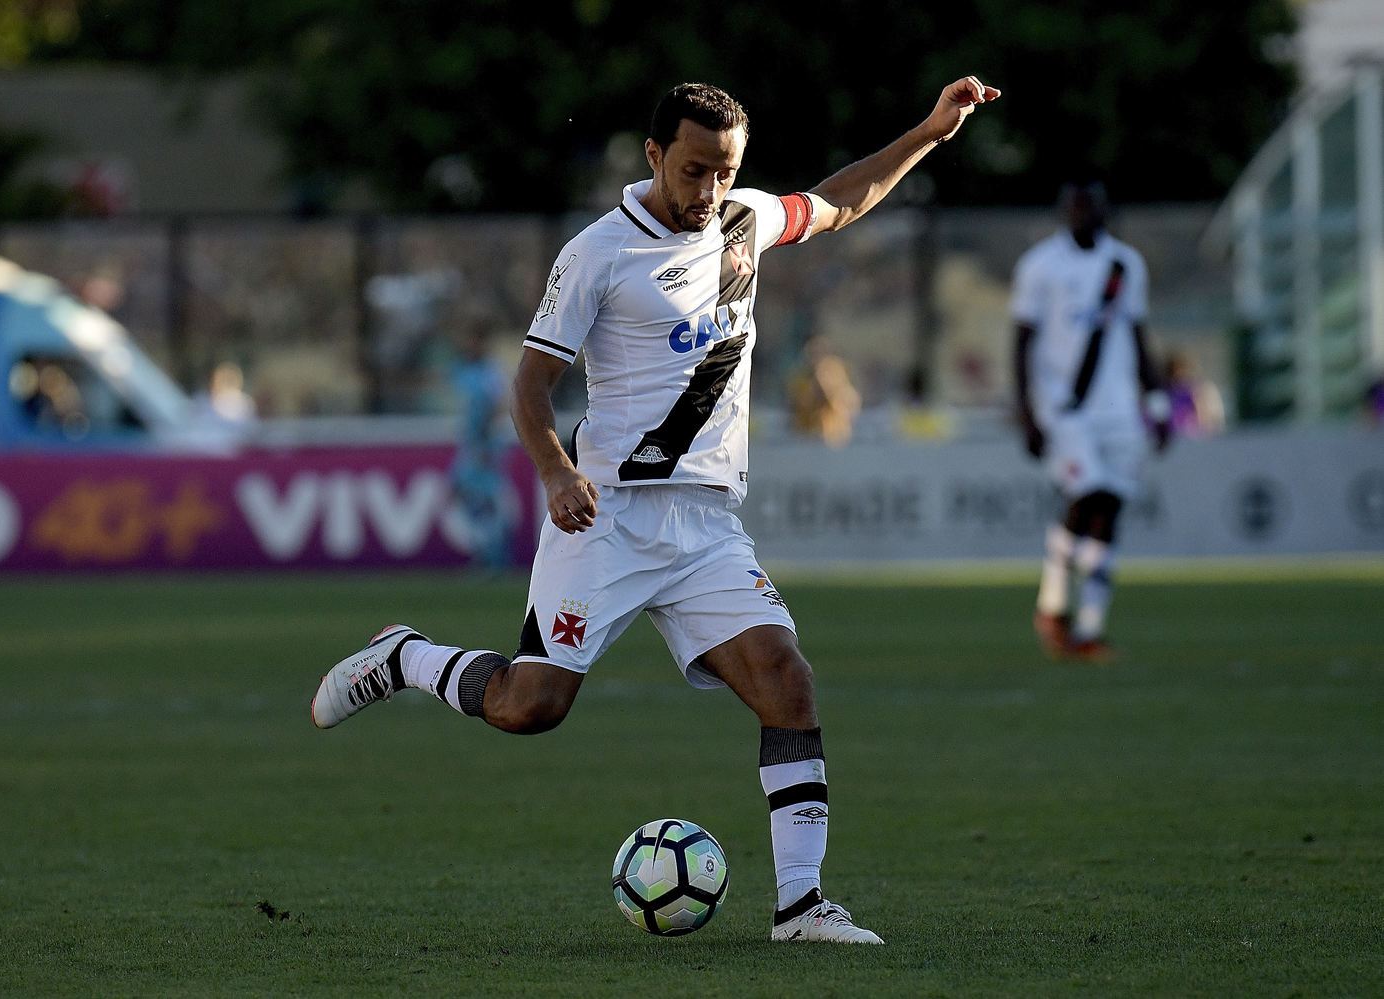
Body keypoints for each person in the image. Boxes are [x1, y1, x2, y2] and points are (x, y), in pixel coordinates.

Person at [313, 76, 1000, 944]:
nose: (708, 192)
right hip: (606, 517)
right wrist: (559, 473)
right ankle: (405, 657)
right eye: (692, 170)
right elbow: (531, 383)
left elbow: (836, 200)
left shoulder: (744, 219)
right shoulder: (596, 252)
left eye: (724, 171)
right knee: (533, 705)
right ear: (653, 157)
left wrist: (930, 132)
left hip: (706, 525)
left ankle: (800, 907)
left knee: (788, 682)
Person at [1011, 180, 1171, 663]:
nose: (1082, 214)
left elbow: (1138, 335)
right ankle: (1053, 607)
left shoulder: (1126, 264)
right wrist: (1025, 411)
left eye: (1091, 206)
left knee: (1110, 510)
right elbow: (1020, 341)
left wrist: (1158, 403)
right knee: (1088, 496)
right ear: (1063, 212)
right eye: (1075, 206)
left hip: (1119, 408)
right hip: (1064, 408)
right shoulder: (1040, 266)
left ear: (1105, 211)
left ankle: (1090, 626)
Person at [449, 322, 512, 570]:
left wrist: (485, 444)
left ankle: (494, 556)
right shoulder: (463, 371)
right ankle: (487, 551)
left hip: (485, 445)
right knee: (464, 493)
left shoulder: (490, 373)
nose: (470, 345)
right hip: (470, 444)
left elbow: (495, 407)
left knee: (487, 499)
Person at [787, 333, 861, 447]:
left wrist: (830, 391)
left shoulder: (837, 374)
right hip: (806, 439)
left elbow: (851, 403)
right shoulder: (800, 379)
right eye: (813, 354)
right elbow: (796, 408)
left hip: (835, 439)